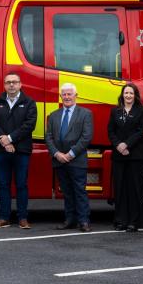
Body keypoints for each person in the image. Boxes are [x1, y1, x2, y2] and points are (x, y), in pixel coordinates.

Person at [0, 72, 37, 229]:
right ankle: (4, 217)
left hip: (21, 150)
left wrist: (10, 138)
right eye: (8, 82)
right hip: (2, 150)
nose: (11, 85)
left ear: (20, 84)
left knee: (21, 184)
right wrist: (4, 141)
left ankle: (22, 218)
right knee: (3, 185)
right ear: (4, 85)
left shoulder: (29, 102)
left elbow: (29, 125)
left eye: (14, 82)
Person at [45, 82, 94, 232]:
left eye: (69, 94)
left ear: (76, 96)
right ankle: (70, 220)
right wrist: (57, 154)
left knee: (79, 191)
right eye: (64, 94)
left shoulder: (85, 114)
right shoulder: (53, 115)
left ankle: (84, 221)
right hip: (59, 160)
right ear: (61, 96)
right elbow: (48, 137)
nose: (67, 97)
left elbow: (86, 137)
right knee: (66, 192)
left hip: (77, 159)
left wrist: (70, 154)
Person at [106, 83, 143, 232]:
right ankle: (121, 220)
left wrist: (126, 145)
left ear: (135, 95)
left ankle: (134, 222)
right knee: (120, 188)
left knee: (134, 188)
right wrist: (118, 145)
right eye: (126, 93)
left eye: (131, 93)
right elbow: (110, 131)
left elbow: (141, 131)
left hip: (135, 155)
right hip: (119, 156)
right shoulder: (115, 111)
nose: (128, 95)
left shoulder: (142, 110)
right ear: (122, 95)